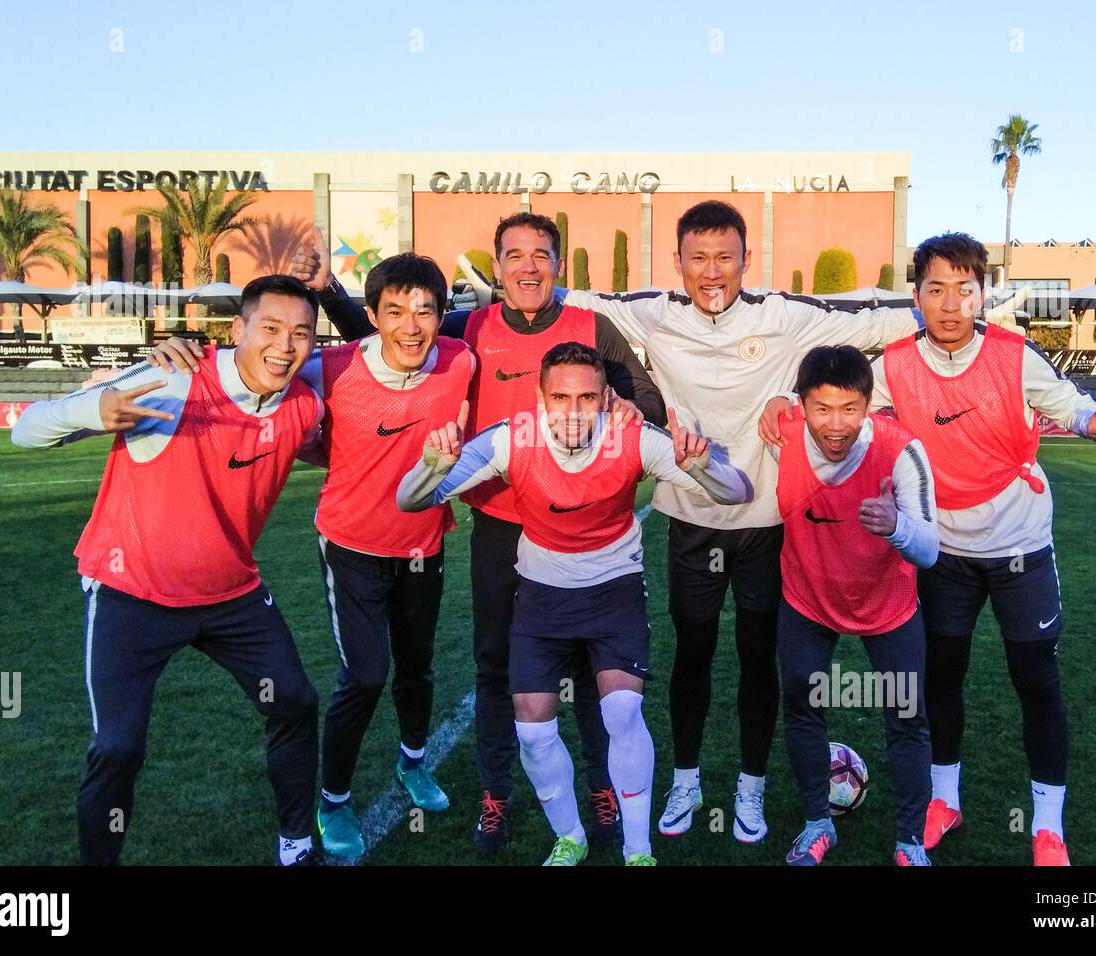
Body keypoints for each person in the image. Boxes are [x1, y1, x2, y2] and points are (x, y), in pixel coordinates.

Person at [291, 215, 665, 851]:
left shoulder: (593, 328)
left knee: (591, 669)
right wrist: (330, 293)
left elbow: (647, 402)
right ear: (496, 266)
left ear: (558, 263)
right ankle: (497, 793)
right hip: (500, 527)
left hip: (582, 533)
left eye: (540, 255)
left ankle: (603, 785)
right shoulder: (471, 329)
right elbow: (388, 342)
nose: (527, 267)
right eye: (514, 255)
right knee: (499, 667)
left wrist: (630, 407)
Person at [762, 232, 1096, 865]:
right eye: (937, 289)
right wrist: (782, 406)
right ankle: (943, 801)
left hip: (1019, 545)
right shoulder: (895, 364)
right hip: (940, 552)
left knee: (1036, 681)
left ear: (983, 294)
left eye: (965, 289)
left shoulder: (1016, 355)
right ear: (917, 297)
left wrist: (1093, 422)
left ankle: (1046, 826)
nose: (951, 303)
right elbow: (838, 405)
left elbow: (1069, 406)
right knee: (940, 681)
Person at [563, 200, 921, 844]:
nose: (711, 271)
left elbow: (868, 323)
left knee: (759, 659)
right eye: (698, 258)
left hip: (764, 522)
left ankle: (750, 790)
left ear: (745, 260)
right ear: (678, 263)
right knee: (692, 655)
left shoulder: (781, 316)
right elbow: (580, 303)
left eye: (724, 257)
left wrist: (936, 306)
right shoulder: (655, 312)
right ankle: (688, 779)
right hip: (691, 516)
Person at [148, 254, 474, 862]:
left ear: (441, 316)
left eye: (425, 312)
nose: (411, 325)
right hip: (350, 544)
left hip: (425, 542)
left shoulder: (461, 361)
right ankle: (333, 797)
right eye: (395, 312)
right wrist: (177, 351)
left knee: (418, 667)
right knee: (365, 674)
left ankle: (413, 762)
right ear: (371, 318)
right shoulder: (330, 367)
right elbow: (266, 402)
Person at [11, 275, 325, 866]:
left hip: (231, 595)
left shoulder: (304, 404)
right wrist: (94, 408)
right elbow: (25, 429)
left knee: (294, 702)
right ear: (238, 331)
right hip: (133, 591)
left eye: (301, 333)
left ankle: (296, 846)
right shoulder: (172, 379)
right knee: (118, 746)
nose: (285, 346)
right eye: (271, 328)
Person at [397, 341, 751, 865]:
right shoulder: (510, 439)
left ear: (607, 398)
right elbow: (411, 499)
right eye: (560, 397)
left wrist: (701, 466)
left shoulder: (634, 438)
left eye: (587, 397)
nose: (573, 411)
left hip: (614, 591)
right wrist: (432, 466)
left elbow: (735, 492)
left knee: (624, 710)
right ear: (541, 399)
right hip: (541, 597)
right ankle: (571, 837)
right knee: (533, 729)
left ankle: (637, 849)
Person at [767, 345, 938, 867]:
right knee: (802, 707)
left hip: (888, 604)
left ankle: (910, 843)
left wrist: (897, 527)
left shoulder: (902, 449)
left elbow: (929, 549)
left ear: (869, 405)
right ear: (802, 405)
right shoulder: (782, 435)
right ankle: (818, 825)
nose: (835, 424)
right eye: (822, 408)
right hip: (807, 598)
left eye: (849, 409)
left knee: (907, 717)